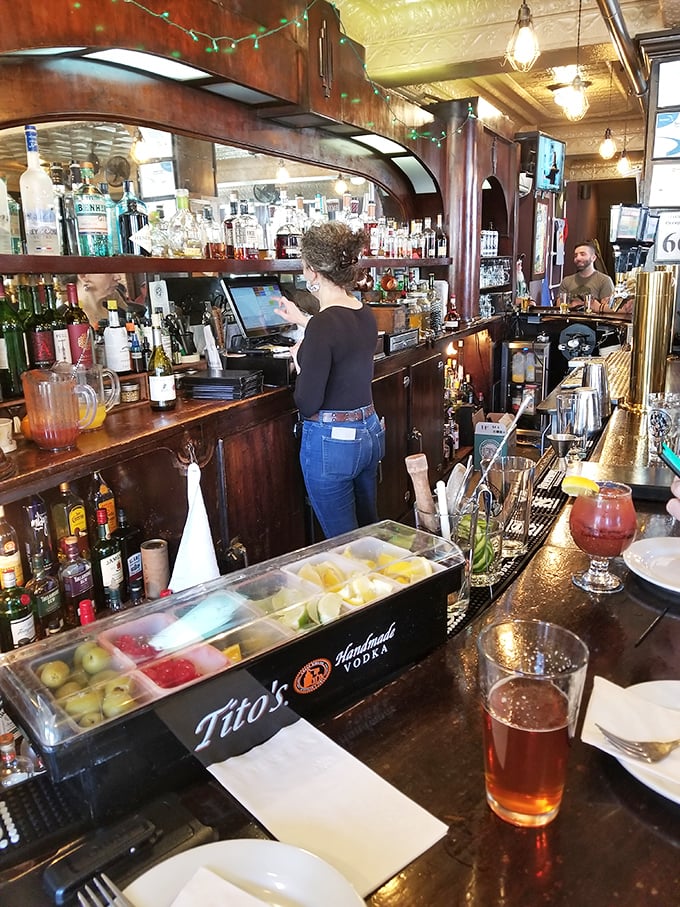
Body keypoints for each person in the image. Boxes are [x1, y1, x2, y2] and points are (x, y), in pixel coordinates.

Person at [274, 222, 385, 539]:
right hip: (368, 432)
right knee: (368, 534)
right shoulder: (363, 311)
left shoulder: (324, 325)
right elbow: (339, 333)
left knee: (345, 546)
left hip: (333, 444)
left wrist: (299, 362)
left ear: (310, 270)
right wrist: (303, 319)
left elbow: (307, 402)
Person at [558, 240, 615, 312]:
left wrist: (579, 304)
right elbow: (559, 305)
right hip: (568, 321)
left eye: (582, 254)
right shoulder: (566, 280)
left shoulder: (605, 280)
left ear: (593, 258)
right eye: (575, 255)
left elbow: (609, 308)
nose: (578, 258)